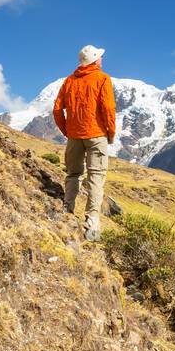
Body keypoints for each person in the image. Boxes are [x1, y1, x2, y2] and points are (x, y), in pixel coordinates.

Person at [52, 44, 116, 240]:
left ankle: (67, 208)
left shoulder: (69, 81)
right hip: (96, 135)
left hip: (74, 136)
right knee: (96, 177)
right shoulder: (103, 79)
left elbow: (56, 109)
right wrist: (110, 133)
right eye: (100, 57)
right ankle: (92, 222)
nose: (102, 60)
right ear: (95, 60)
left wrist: (67, 130)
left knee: (73, 173)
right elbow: (108, 109)